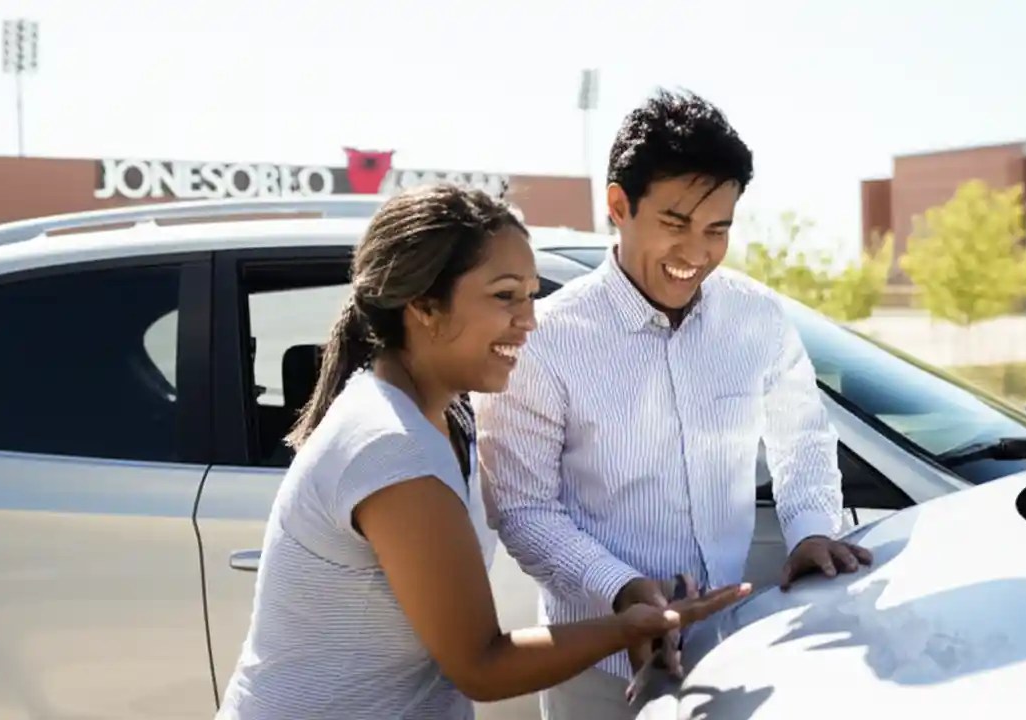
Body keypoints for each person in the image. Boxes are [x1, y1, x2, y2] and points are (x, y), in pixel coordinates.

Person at [214, 184, 749, 720]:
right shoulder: (391, 447)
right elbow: (481, 665)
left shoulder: (441, 415)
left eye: (532, 294)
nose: (529, 320)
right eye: (505, 296)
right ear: (424, 305)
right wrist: (630, 627)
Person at [473, 89, 874, 719]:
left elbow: (804, 440)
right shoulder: (543, 342)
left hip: (735, 652)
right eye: (675, 223)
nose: (696, 253)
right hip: (598, 672)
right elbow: (523, 511)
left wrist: (811, 529)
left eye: (718, 230)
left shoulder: (758, 318)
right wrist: (624, 594)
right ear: (618, 206)